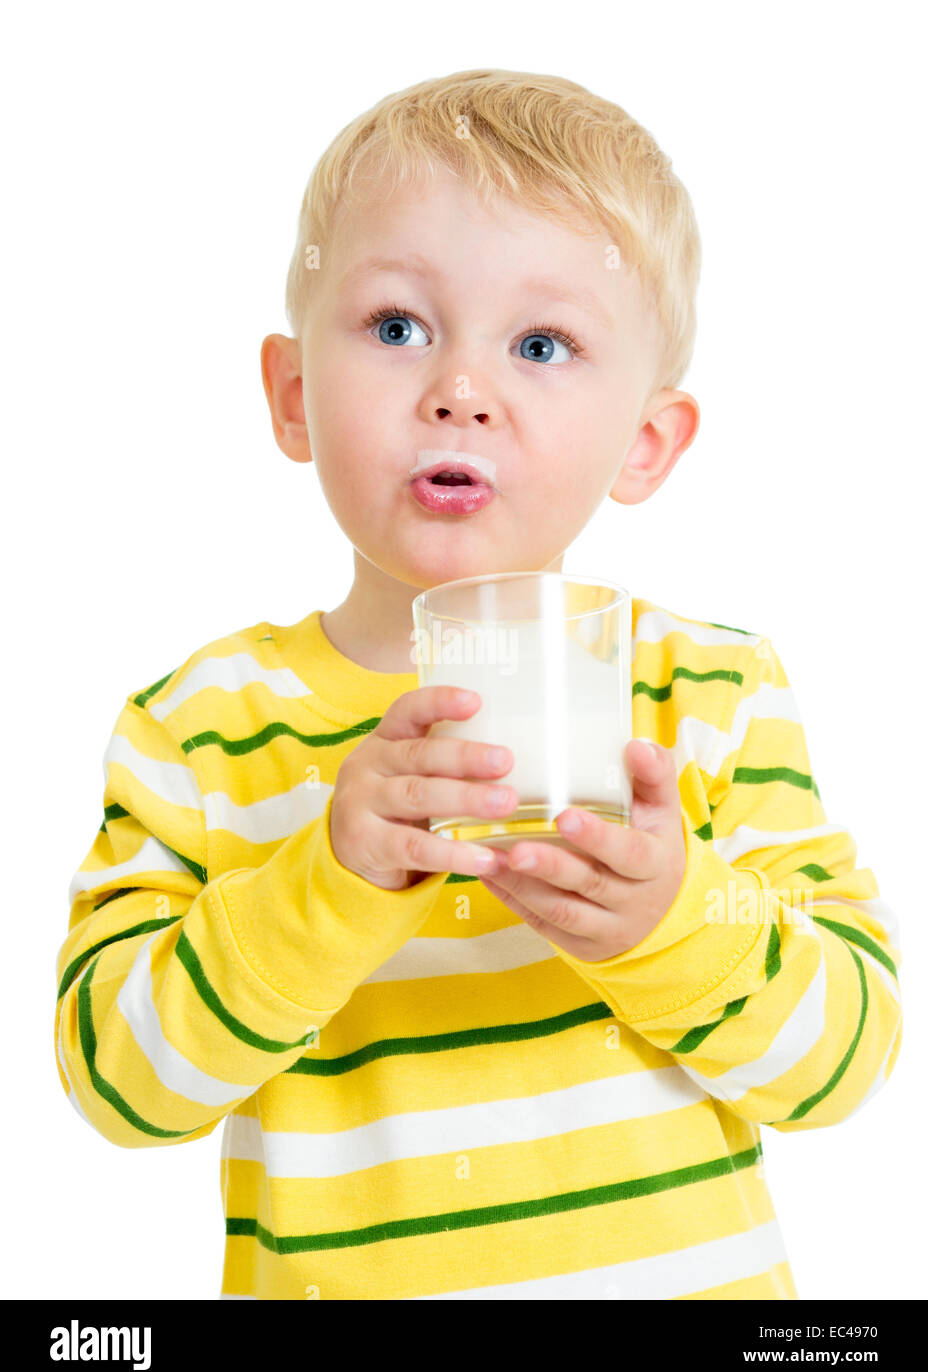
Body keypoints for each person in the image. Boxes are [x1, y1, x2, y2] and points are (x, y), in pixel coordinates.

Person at [55, 68, 902, 1301]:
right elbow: (118, 1087)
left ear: (647, 444)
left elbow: (849, 1058)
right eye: (397, 327)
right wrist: (328, 882)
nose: (460, 389)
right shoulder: (202, 727)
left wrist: (677, 917)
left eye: (542, 344)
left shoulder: (707, 695)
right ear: (294, 396)